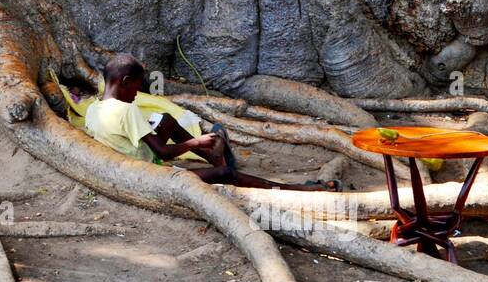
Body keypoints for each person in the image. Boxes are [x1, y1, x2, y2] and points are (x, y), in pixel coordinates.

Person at [83, 53, 332, 189]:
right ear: (125, 83)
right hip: (149, 173)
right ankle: (299, 189)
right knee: (225, 173)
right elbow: (163, 152)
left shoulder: (94, 109)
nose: (137, 94)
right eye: (136, 88)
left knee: (166, 119)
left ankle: (213, 156)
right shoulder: (127, 110)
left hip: (126, 161)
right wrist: (196, 142)